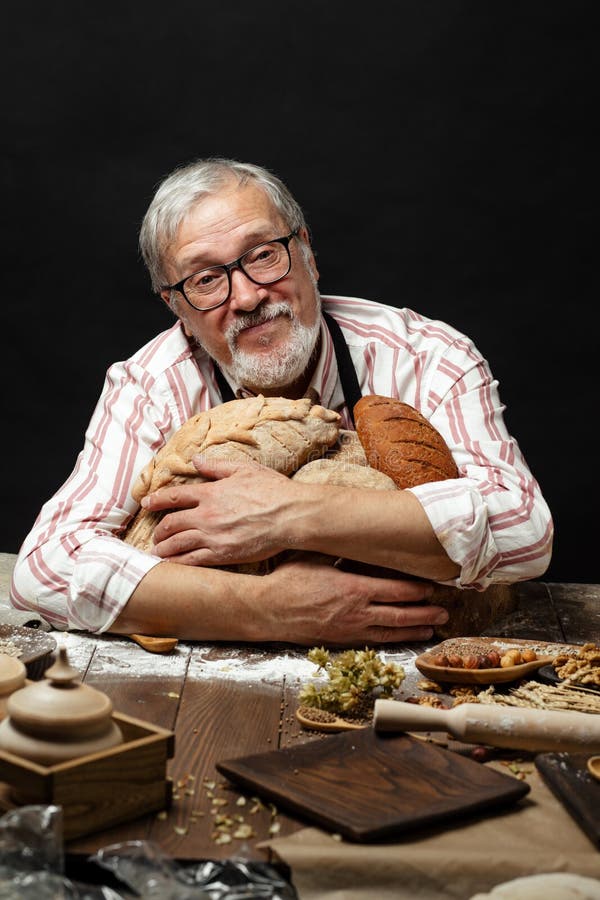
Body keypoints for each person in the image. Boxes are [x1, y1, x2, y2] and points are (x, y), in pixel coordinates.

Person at [9, 158, 553, 644]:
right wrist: (271, 609)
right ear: (178, 308)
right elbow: (46, 567)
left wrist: (290, 514)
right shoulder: (150, 386)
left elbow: (525, 531)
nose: (246, 296)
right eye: (205, 279)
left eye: (263, 256)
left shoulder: (426, 356)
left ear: (308, 254)